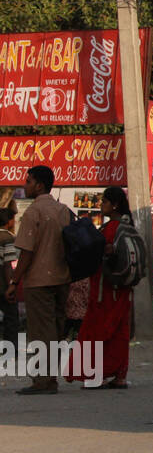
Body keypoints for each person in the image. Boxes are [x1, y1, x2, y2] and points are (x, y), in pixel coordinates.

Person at [9, 166, 73, 394]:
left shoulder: (33, 212)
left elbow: (26, 253)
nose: (25, 186)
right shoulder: (62, 210)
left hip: (39, 280)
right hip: (62, 279)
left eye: (28, 181)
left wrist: (14, 282)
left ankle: (42, 381)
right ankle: (50, 379)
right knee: (55, 330)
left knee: (39, 333)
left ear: (39, 185)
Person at [65, 187, 132, 389]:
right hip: (124, 288)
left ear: (115, 205)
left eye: (104, 202)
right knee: (120, 330)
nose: (101, 205)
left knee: (98, 330)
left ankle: (96, 374)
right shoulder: (129, 227)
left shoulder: (110, 229)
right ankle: (119, 376)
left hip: (105, 289)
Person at [0, 203, 18, 351]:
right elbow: (7, 264)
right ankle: (10, 349)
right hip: (1, 283)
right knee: (11, 316)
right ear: (9, 221)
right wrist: (11, 285)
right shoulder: (7, 237)